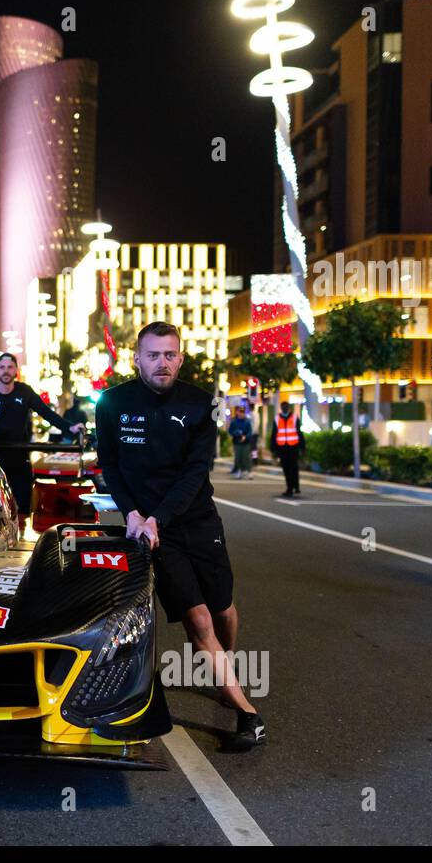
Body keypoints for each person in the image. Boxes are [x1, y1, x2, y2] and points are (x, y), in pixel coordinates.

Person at [96, 321, 264, 748]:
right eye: (152, 355)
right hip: (152, 531)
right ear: (136, 358)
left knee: (223, 610)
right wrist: (134, 515)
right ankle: (247, 714)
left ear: (181, 358)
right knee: (198, 618)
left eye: (170, 354)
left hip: (197, 521)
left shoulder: (201, 403)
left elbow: (195, 472)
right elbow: (111, 465)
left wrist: (159, 517)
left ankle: (226, 672)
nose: (161, 362)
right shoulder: (112, 403)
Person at [0, 353, 83, 517]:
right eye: (2, 367)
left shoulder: (25, 392)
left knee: (24, 505)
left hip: (20, 455)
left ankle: (21, 536)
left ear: (16, 370)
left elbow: (47, 414)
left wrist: (70, 428)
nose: (6, 371)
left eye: (10, 367)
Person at [270, 400, 305, 497]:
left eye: (286, 407)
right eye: (283, 407)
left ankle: (296, 487)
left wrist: (302, 447)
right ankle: (289, 488)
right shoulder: (277, 419)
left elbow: (299, 433)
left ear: (289, 408)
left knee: (294, 468)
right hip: (282, 448)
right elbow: (274, 434)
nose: (285, 409)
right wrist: (273, 449)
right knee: (286, 469)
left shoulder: (294, 418)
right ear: (281, 408)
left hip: (293, 447)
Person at [228, 405, 254, 479]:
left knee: (246, 457)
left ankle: (249, 472)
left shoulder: (247, 422)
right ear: (237, 412)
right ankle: (240, 471)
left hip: (246, 442)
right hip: (237, 442)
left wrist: (245, 437)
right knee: (238, 458)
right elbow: (230, 431)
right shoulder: (234, 422)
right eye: (240, 412)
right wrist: (236, 433)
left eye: (243, 412)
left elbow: (250, 432)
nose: (241, 413)